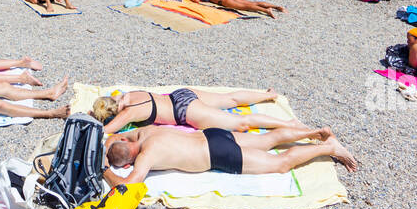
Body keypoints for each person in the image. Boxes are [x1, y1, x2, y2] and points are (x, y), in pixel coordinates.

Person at [103, 123, 358, 187]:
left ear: (128, 162)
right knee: (266, 140)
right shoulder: (145, 133)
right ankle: (316, 132)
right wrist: (108, 144)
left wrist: (105, 171)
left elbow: (128, 186)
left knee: (279, 164)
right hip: (212, 135)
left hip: (215, 153)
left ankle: (329, 147)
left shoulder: (146, 156)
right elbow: (113, 137)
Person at [92, 87, 298, 134]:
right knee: (230, 99)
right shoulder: (129, 95)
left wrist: (95, 120)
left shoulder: (128, 114)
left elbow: (105, 131)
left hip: (184, 111)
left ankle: (288, 125)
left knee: (240, 123)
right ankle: (268, 95)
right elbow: (119, 98)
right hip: (180, 95)